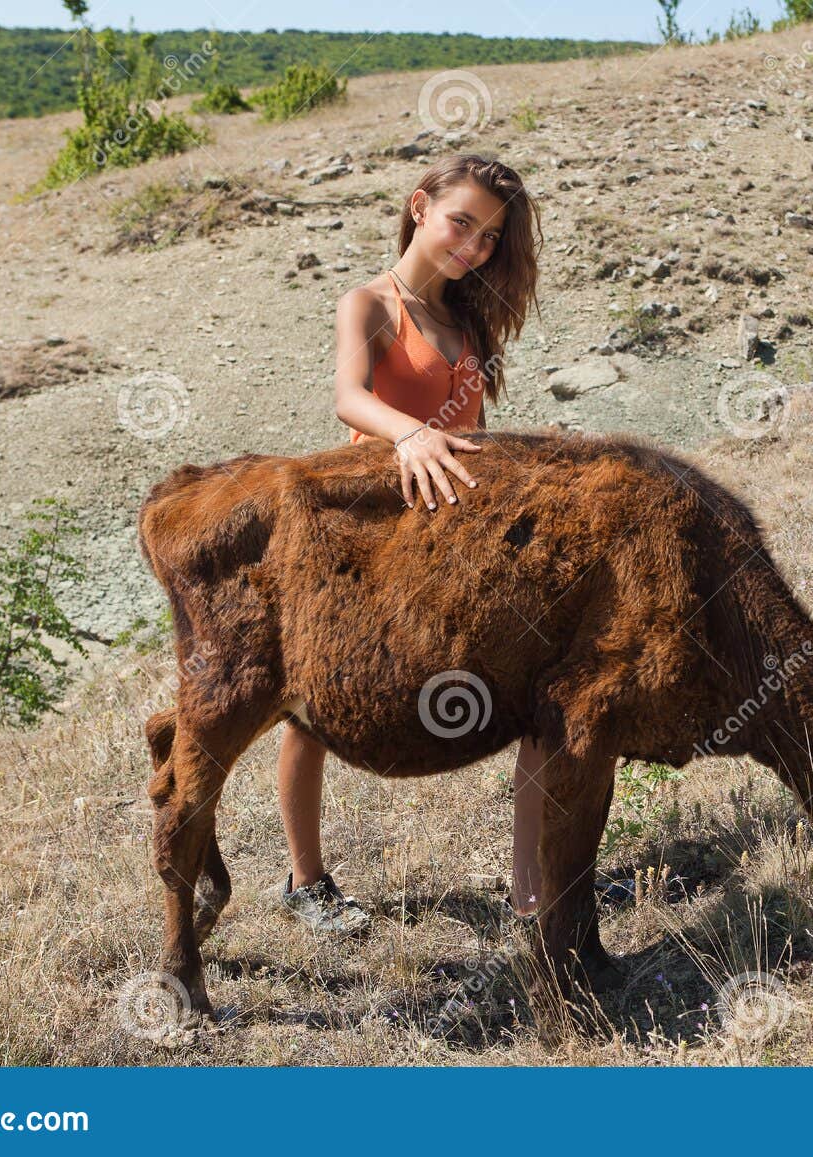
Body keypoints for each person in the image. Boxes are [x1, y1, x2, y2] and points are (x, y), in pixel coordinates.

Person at [276, 154, 548, 935]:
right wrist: (411, 434)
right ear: (420, 206)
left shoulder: (466, 324)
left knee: (540, 687)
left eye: (491, 237)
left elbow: (475, 437)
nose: (474, 244)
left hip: (453, 533)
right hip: (365, 530)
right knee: (307, 706)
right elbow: (348, 396)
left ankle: (530, 891)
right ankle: (306, 881)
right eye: (463, 222)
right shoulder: (369, 303)